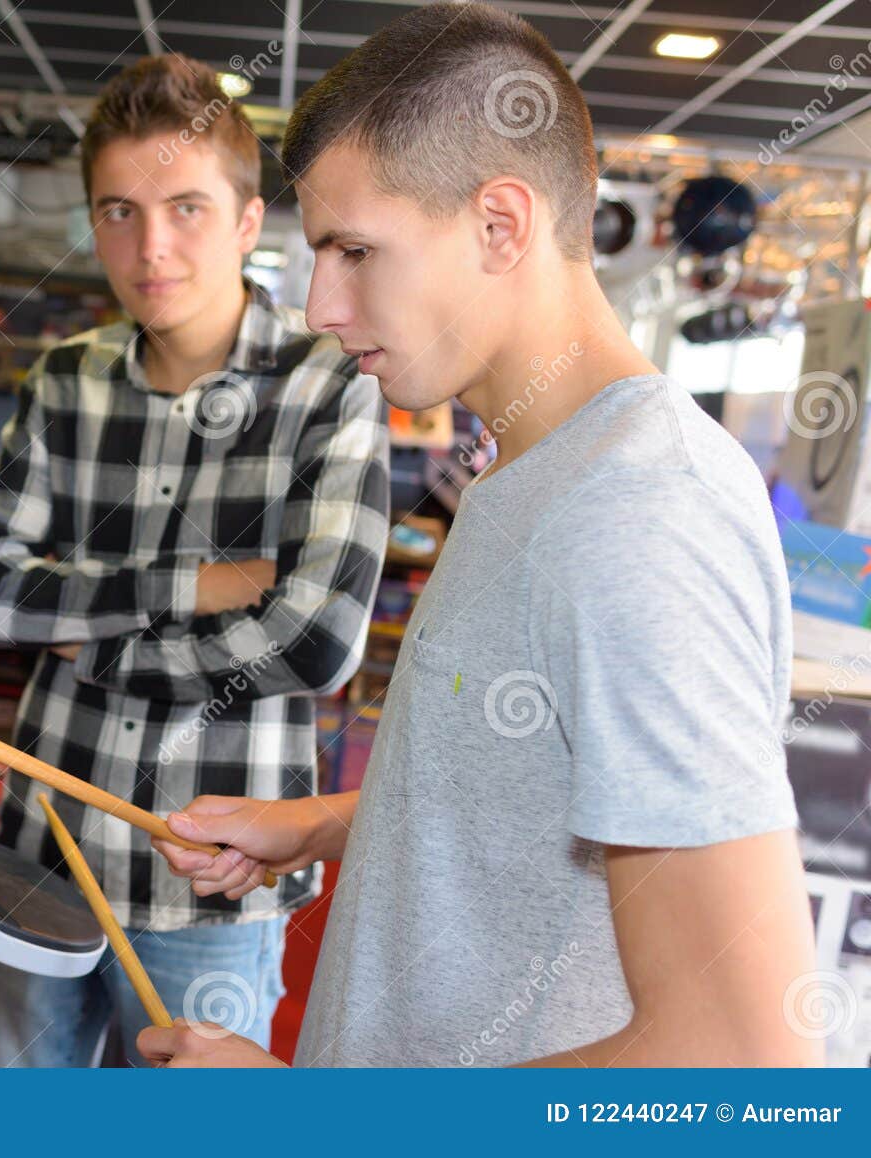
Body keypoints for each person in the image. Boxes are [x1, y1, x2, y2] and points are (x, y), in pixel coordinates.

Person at [141, 1, 819, 1068]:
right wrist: (319, 825)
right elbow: (543, 789)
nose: (320, 301)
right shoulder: (530, 472)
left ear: (500, 226)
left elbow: (739, 1060)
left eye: (354, 249)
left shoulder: (637, 516)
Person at [0, 54, 391, 1067]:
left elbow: (315, 642)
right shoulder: (69, 377)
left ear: (246, 221)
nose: (149, 247)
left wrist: (88, 643)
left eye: (186, 207)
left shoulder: (328, 382)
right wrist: (185, 588)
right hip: (46, 848)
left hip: (215, 875)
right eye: (117, 211)